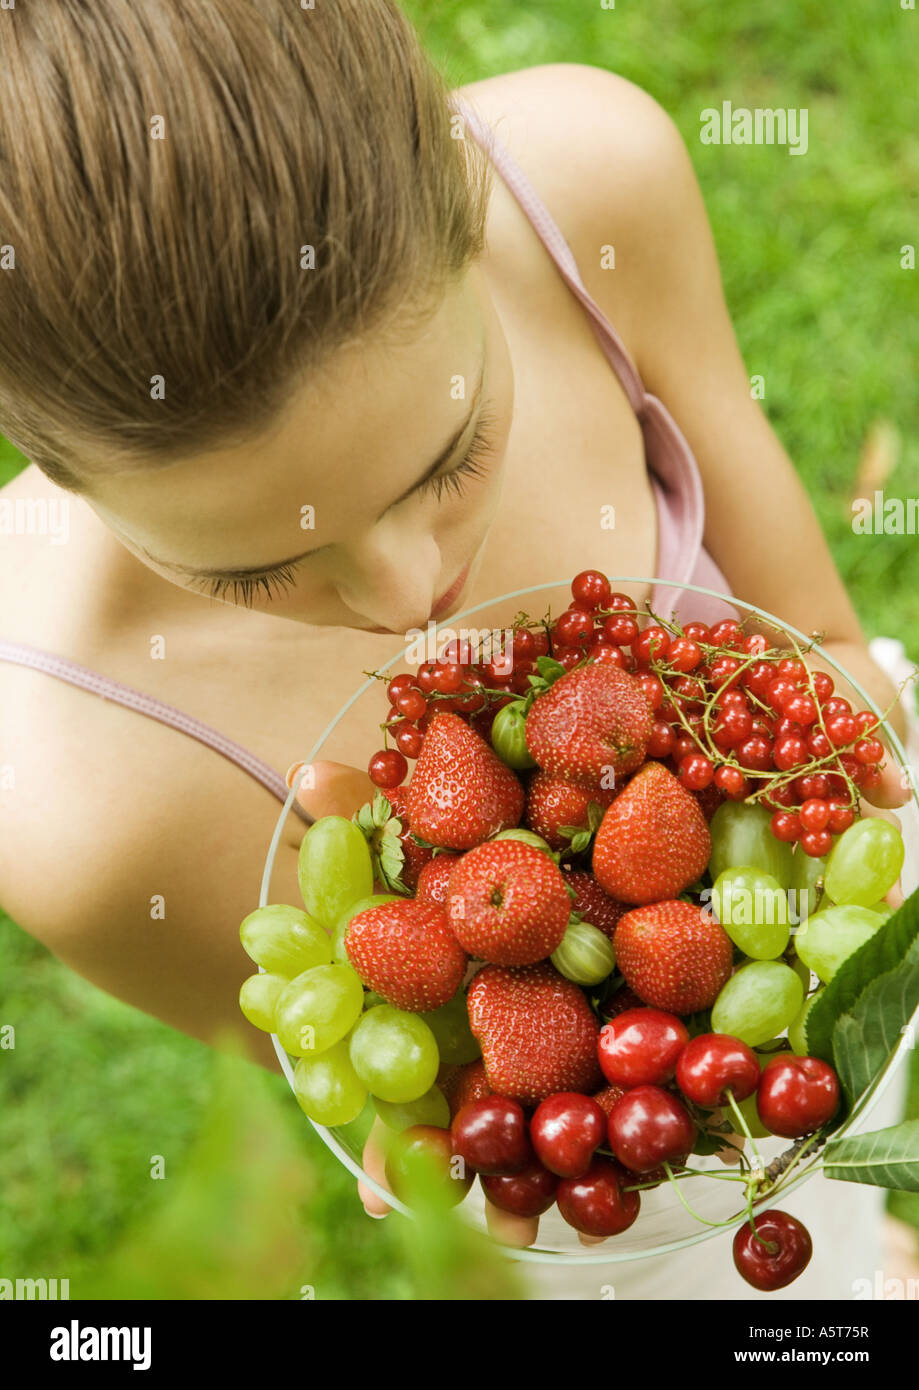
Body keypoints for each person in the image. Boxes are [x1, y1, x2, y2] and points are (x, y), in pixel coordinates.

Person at [0, 0, 909, 1294]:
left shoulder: (586, 188)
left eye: (451, 454)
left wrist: (841, 706)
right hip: (676, 1148)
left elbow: (819, 638)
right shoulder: (86, 808)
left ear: (466, 209)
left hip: (836, 892)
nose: (408, 590)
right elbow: (431, 1064)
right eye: (254, 565)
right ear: (58, 467)